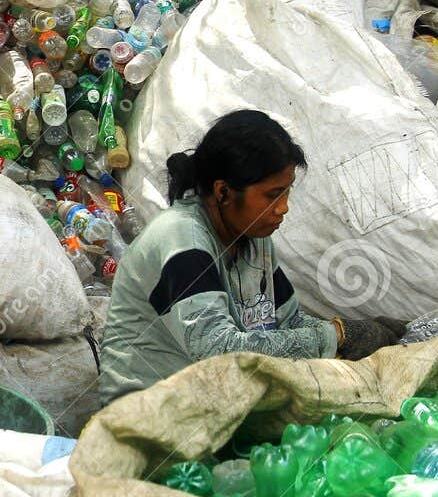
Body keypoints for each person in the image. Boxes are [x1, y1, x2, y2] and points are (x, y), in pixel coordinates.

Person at [98, 110, 401, 405]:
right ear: (223, 192)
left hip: (212, 401)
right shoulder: (181, 240)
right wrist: (335, 335)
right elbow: (220, 352)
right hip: (147, 415)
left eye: (286, 193)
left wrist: (350, 335)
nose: (284, 208)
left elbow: (287, 321)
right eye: (273, 195)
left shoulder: (254, 240)